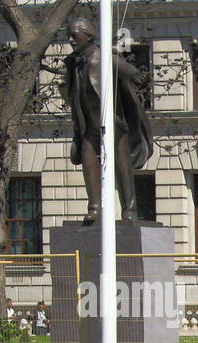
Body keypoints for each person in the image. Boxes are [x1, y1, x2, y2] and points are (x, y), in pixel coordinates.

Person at [63, 17, 154, 223]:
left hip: (112, 124)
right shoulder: (71, 63)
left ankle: (129, 209)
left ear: (87, 35)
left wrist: (123, 70)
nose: (70, 40)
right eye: (68, 35)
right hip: (88, 125)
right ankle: (94, 208)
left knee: (122, 164)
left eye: (74, 35)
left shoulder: (103, 56)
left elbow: (135, 74)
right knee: (88, 163)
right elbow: (69, 91)